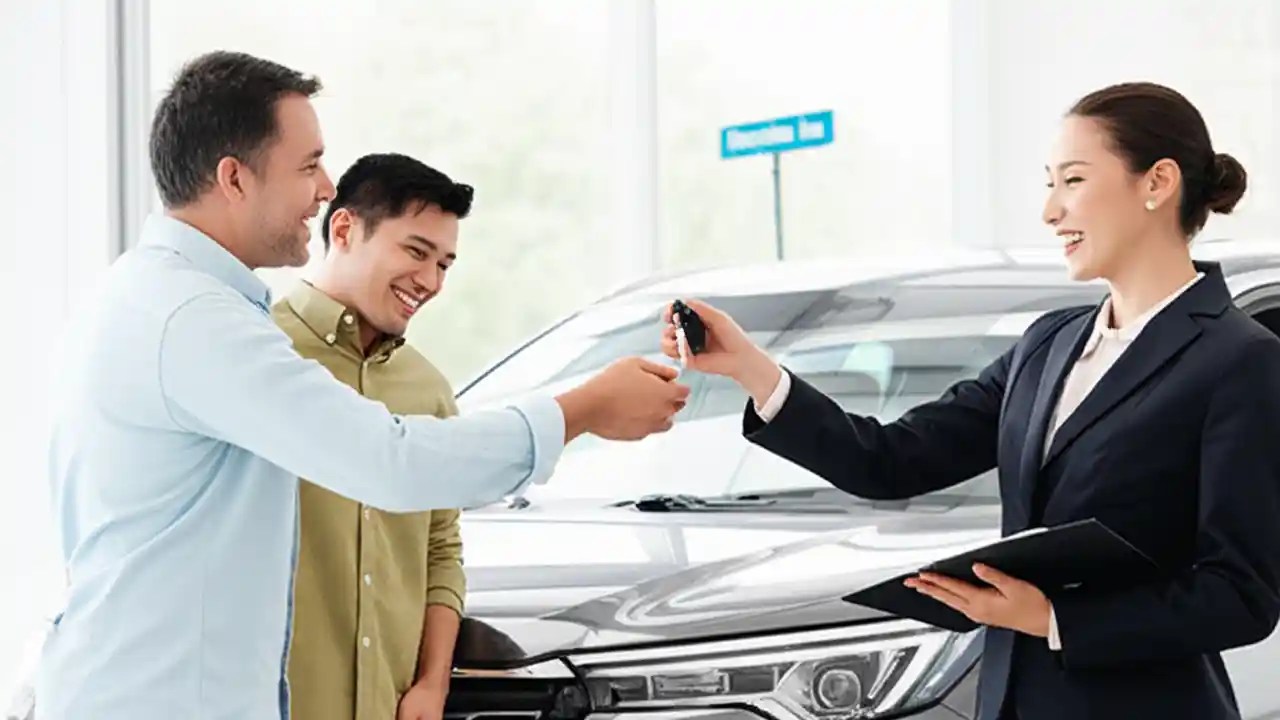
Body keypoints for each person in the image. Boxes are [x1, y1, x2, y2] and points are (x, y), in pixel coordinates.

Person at [38, 50, 688, 720]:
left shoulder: (140, 296)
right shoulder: (197, 323)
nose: (325, 189)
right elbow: (388, 460)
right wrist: (581, 410)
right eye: (308, 165)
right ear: (234, 178)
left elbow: (434, 536)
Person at [660, 82, 1280, 720]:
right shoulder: (1049, 345)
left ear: (1157, 183)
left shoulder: (1239, 361)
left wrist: (1053, 617)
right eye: (1049, 184)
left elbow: (1240, 595)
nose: (1050, 211)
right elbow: (891, 460)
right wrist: (750, 369)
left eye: (1072, 181)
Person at [271, 153, 478, 720]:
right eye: (415, 252)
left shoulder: (428, 389)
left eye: (445, 264)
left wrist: (432, 685)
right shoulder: (260, 357)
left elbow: (441, 549)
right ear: (343, 229)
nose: (431, 282)